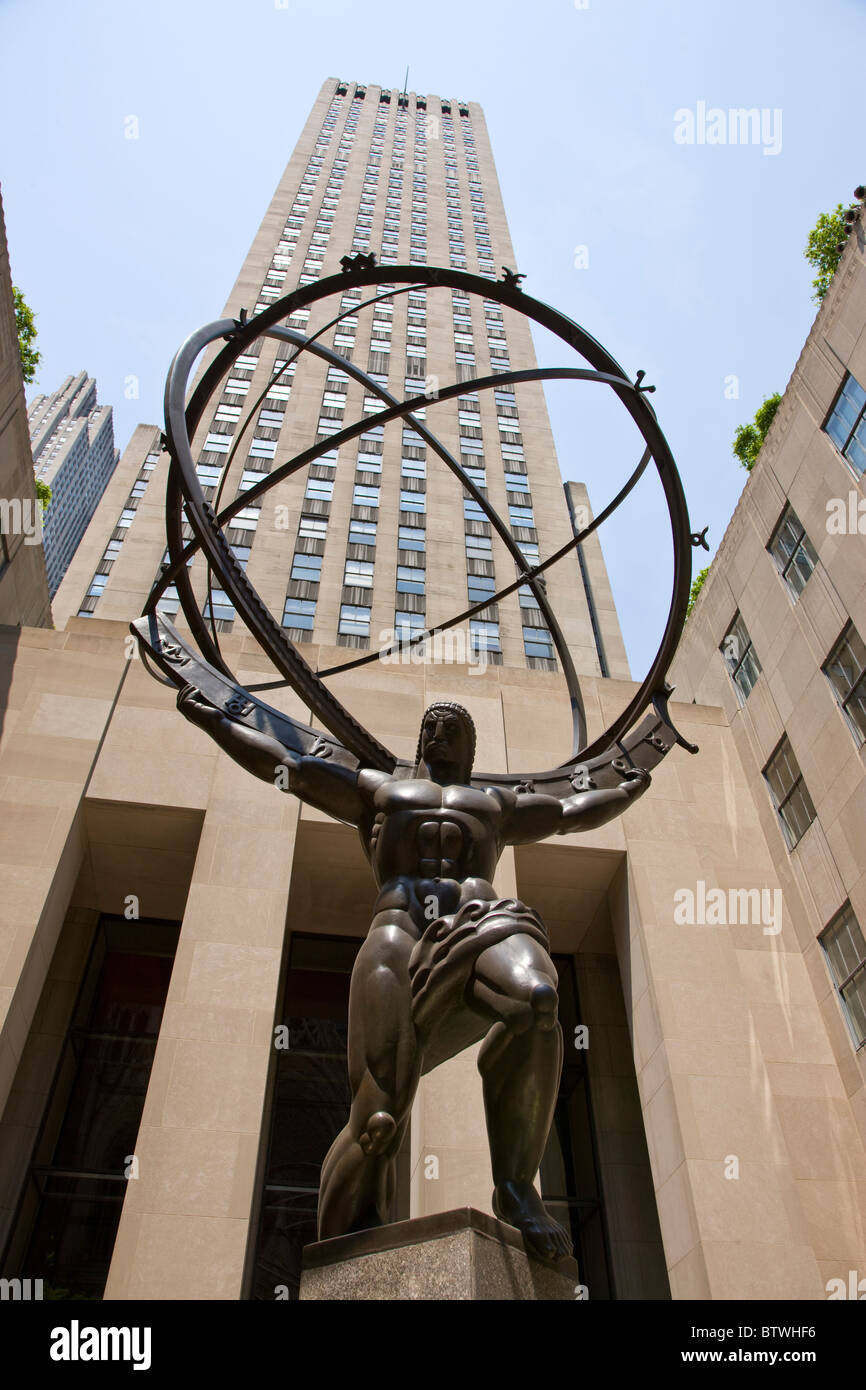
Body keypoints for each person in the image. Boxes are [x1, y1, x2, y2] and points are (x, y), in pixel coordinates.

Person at [177, 687, 650, 1263]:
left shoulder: (495, 804)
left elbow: (573, 812)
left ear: (472, 747)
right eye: (432, 725)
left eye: (454, 727)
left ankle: (517, 1188)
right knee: (377, 1122)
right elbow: (291, 769)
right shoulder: (380, 789)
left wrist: (632, 781)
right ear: (419, 740)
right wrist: (212, 721)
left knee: (538, 999)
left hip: (476, 927)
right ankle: (342, 1251)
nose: (440, 733)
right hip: (398, 939)